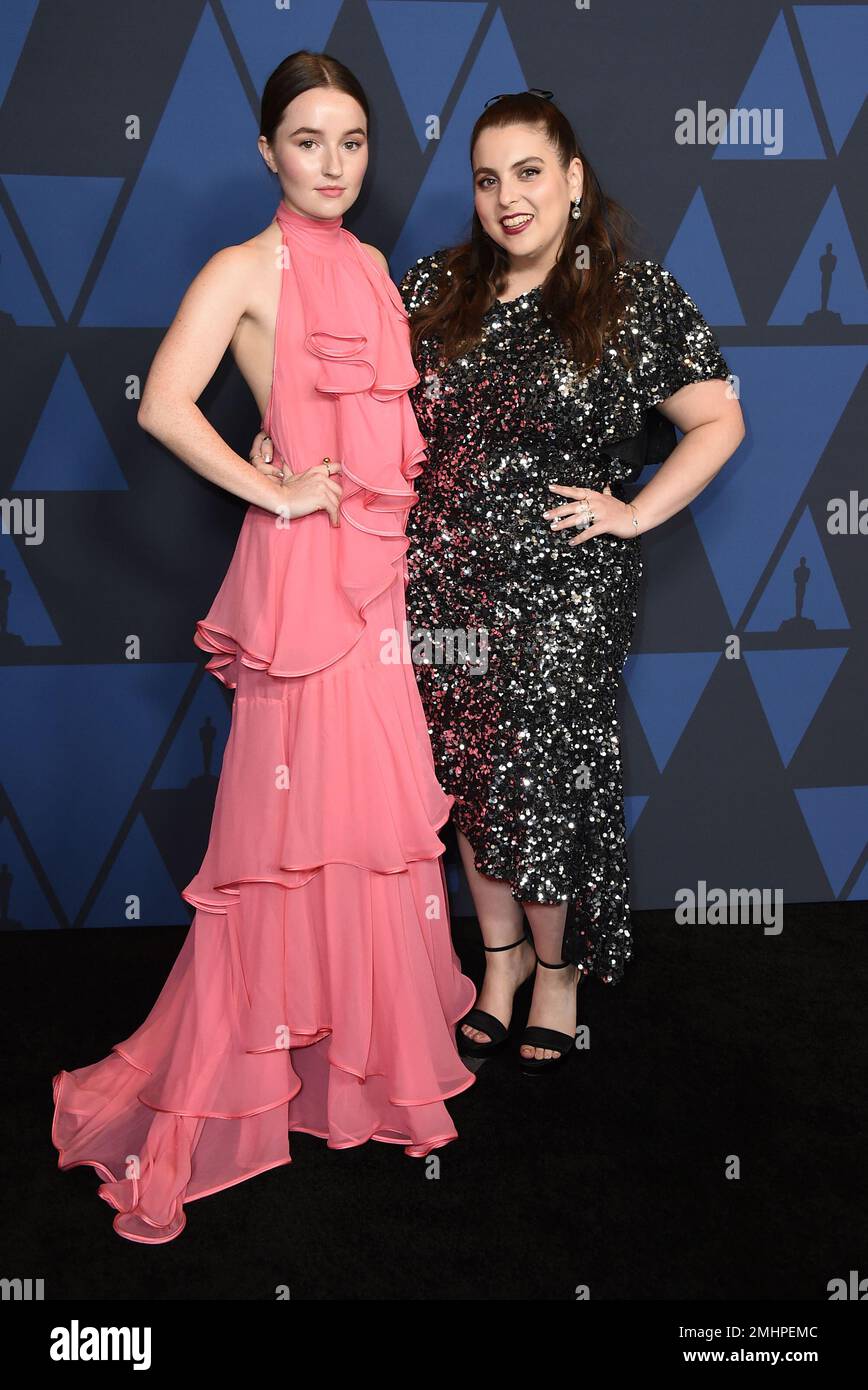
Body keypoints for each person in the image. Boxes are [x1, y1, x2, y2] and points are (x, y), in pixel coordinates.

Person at [50, 51, 476, 1245]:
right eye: (307, 141)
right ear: (266, 152)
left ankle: (349, 1072)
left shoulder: (380, 269)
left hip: (381, 586)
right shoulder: (245, 267)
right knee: (285, 840)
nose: (332, 164)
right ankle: (239, 1078)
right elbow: (162, 404)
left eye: (350, 142)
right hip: (301, 591)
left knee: (370, 830)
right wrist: (274, 491)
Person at [249, 93, 745, 1075]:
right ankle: (501, 964)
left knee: (541, 776)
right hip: (434, 578)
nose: (507, 197)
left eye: (528, 172)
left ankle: (556, 971)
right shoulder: (435, 285)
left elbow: (718, 418)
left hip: (564, 586)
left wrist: (634, 511)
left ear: (571, 179)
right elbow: (356, 393)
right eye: (487, 178)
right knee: (466, 776)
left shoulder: (629, 297)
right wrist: (285, 439)